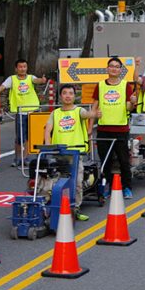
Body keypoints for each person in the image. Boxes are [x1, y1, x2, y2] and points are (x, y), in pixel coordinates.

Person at [44, 84, 100, 221]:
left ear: (75, 96)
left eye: (71, 93)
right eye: (65, 93)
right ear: (60, 96)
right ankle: (52, 206)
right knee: (54, 180)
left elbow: (86, 114)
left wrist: (93, 114)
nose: (68, 96)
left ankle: (75, 209)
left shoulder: (78, 111)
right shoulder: (55, 113)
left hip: (76, 153)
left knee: (77, 182)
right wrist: (47, 145)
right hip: (59, 153)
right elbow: (47, 129)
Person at [90, 57, 138, 200]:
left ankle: (127, 187)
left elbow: (128, 107)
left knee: (124, 161)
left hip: (121, 129)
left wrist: (133, 103)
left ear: (120, 70)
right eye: (112, 66)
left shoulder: (125, 86)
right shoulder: (100, 85)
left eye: (117, 67)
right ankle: (108, 187)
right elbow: (94, 107)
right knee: (106, 161)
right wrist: (89, 127)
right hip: (104, 129)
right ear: (107, 68)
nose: (114, 69)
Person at [0, 58, 47, 167]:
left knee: (28, 137)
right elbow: (2, 87)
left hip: (32, 111)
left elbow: (37, 81)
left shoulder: (31, 78)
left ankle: (25, 158)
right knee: (19, 138)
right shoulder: (12, 79)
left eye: (24, 67)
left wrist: (42, 80)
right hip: (20, 112)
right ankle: (17, 158)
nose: (22, 69)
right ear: (16, 69)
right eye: (20, 67)